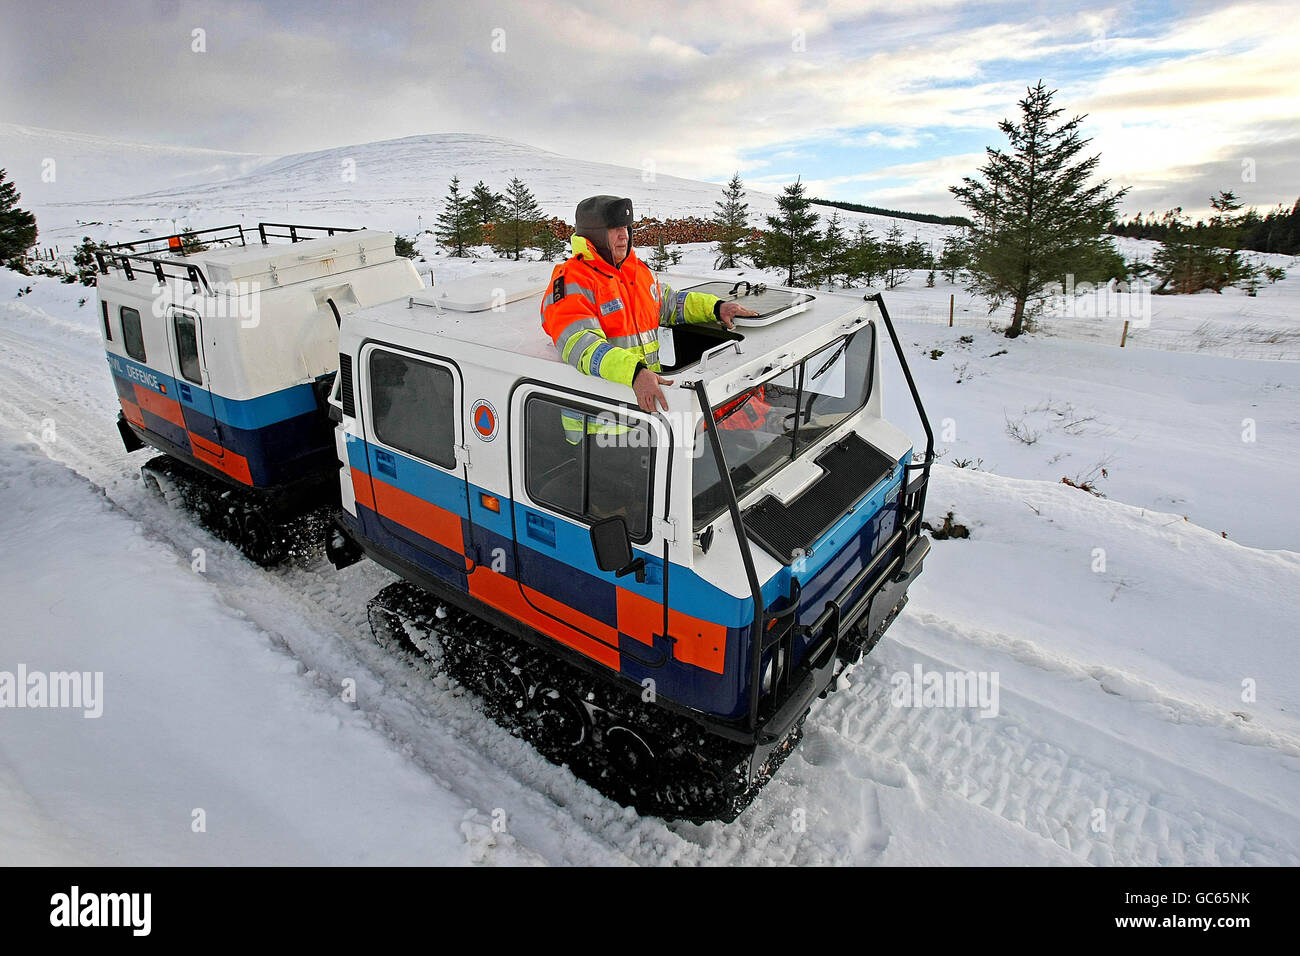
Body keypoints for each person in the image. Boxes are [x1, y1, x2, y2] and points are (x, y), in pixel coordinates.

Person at [540, 195, 759, 418]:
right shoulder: (571, 280)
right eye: (615, 228)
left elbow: (670, 304)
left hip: (645, 408)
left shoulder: (637, 272)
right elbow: (581, 345)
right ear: (594, 235)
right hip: (597, 422)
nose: (624, 235)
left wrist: (716, 308)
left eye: (626, 227)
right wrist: (634, 373)